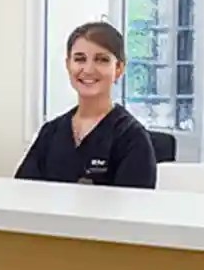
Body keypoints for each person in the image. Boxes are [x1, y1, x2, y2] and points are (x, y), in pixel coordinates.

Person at [16, 21, 157, 189]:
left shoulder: (132, 139)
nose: (88, 69)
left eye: (101, 60)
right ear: (68, 65)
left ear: (118, 68)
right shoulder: (51, 132)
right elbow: (22, 194)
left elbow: (133, 209)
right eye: (80, 59)